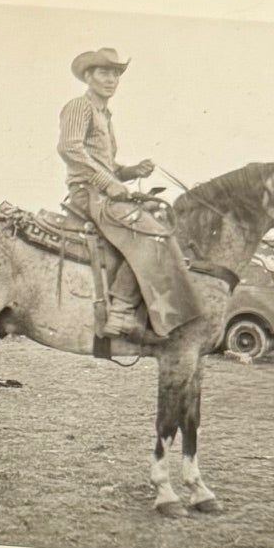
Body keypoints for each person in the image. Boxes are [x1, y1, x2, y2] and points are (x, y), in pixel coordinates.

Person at [58, 47, 201, 339]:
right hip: (89, 194)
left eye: (116, 74)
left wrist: (131, 171)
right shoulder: (79, 106)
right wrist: (109, 183)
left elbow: (105, 165)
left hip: (103, 192)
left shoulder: (105, 115)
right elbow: (70, 148)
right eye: (104, 72)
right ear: (88, 76)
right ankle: (122, 311)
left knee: (157, 220)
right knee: (150, 233)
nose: (111, 79)